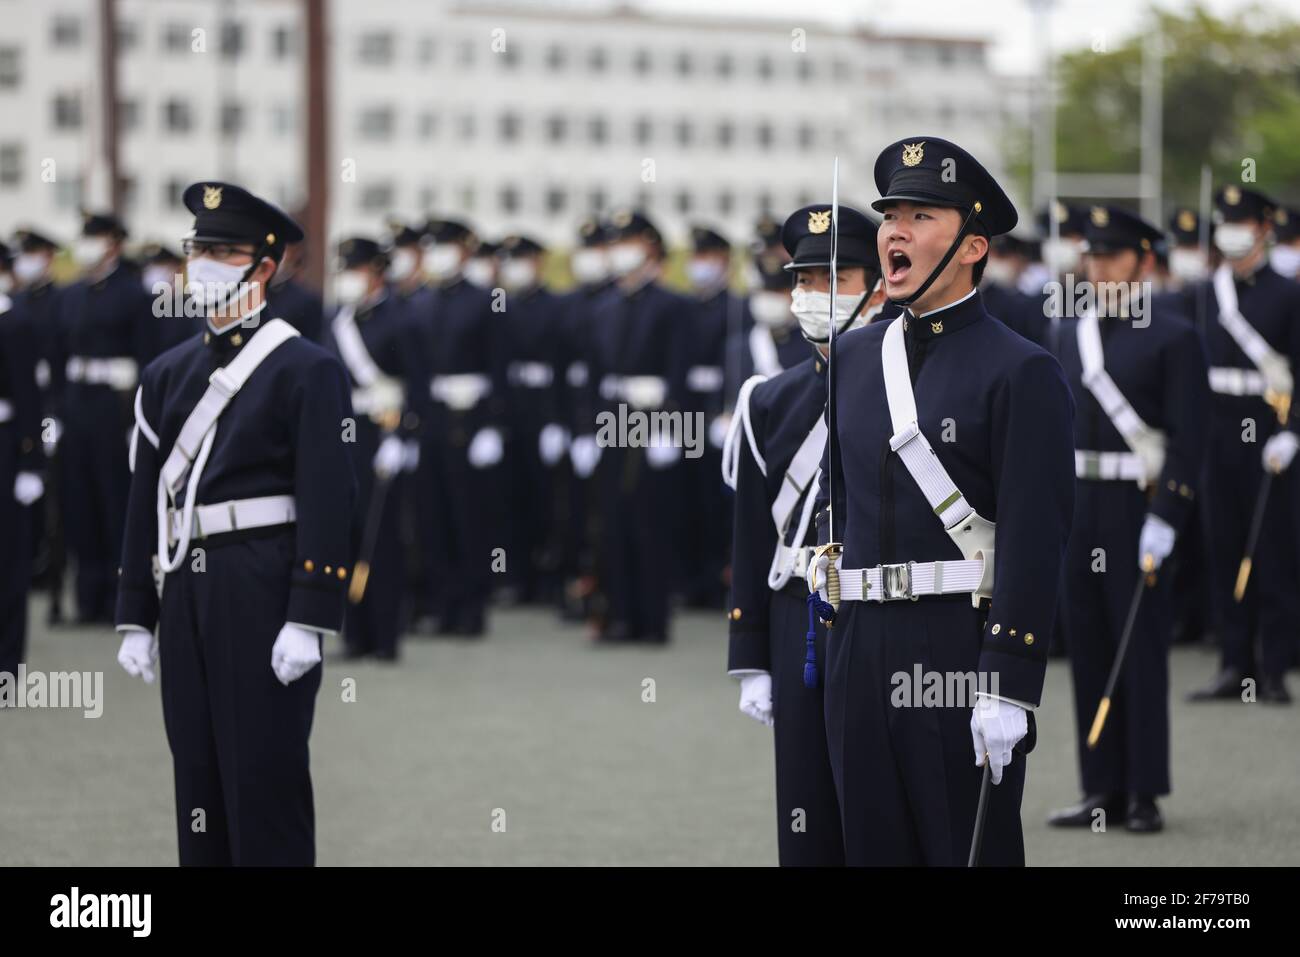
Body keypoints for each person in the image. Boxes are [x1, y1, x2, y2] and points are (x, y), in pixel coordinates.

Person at [809, 137, 1076, 865]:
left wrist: (1009, 683)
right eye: (890, 214)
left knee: (966, 848)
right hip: (859, 643)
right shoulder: (854, 358)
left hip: (959, 644)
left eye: (920, 215)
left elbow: (1034, 535)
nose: (894, 230)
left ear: (971, 244)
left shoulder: (1023, 371)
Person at [114, 182, 356, 865]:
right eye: (199, 250)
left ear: (265, 266)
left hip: (262, 582)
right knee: (197, 778)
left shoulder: (308, 369)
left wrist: (309, 613)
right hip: (186, 588)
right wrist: (137, 609)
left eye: (225, 251)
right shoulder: (167, 373)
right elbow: (147, 497)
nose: (205, 265)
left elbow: (331, 495)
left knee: (264, 784)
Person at [723, 203, 886, 865]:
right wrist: (751, 653)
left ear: (877, 284)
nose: (812, 294)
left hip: (879, 613)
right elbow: (751, 535)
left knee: (877, 806)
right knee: (804, 806)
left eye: (834, 277)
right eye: (802, 280)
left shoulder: (913, 388)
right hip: (798, 615)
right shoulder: (768, 399)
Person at [1046, 205, 1209, 833]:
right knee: (1087, 645)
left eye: (1112, 256)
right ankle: (1100, 788)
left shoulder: (1174, 334)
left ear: (1143, 261)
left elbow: (1189, 439)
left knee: (1138, 648)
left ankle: (1144, 791)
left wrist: (1168, 512)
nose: (1100, 267)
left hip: (1136, 509)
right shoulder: (1068, 332)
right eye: (1093, 256)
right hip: (1080, 504)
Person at [1187, 186, 1300, 705]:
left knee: (1272, 550)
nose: (1229, 230)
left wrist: (1291, 433)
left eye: (1239, 222)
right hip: (1216, 425)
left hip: (1268, 427)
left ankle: (1273, 668)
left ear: (1262, 228)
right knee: (1224, 547)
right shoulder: (1210, 291)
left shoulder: (1288, 292)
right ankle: (1235, 664)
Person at [585, 209, 691, 643]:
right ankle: (620, 614)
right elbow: (594, 372)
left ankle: (652, 620)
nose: (620, 252)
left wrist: (673, 427)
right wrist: (586, 427)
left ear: (650, 247)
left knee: (651, 519)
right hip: (615, 416)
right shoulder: (606, 304)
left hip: (656, 418)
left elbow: (680, 373)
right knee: (614, 517)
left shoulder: (672, 305)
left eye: (629, 242)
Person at [326, 237, 426, 660]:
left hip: (384, 435)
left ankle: (385, 636)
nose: (347, 278)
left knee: (381, 538)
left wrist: (404, 438)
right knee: (346, 537)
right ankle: (355, 634)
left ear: (376, 272)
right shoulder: (336, 320)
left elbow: (419, 385)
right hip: (345, 433)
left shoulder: (402, 318)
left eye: (355, 269)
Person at [56, 211, 156, 623]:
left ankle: (121, 597)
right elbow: (55, 355)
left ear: (114, 243)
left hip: (115, 408)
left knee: (115, 500)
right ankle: (87, 597)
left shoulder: (134, 295)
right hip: (77, 404)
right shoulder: (72, 294)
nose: (88, 244)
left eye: (95, 237)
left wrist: (139, 416)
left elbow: (149, 358)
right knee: (77, 502)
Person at [416, 218, 505, 637]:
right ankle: (444, 604)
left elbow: (500, 367)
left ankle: (471, 608)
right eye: (432, 247)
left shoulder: (487, 300)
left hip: (471, 419)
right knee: (434, 515)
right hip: (433, 418)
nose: (437, 255)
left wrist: (494, 426)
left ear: (465, 251)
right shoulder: (421, 301)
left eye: (445, 246)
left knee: (469, 516)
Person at [497, 234, 567, 604]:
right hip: (514, 409)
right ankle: (516, 575)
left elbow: (563, 365)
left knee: (548, 498)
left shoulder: (555, 305)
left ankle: (549, 576)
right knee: (512, 495)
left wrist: (558, 419)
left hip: (544, 408)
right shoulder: (502, 305)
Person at [0, 242, 45, 679]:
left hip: (5, 445)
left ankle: (6, 668)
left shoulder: (14, 322)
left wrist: (32, 460)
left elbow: (31, 397)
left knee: (8, 561)